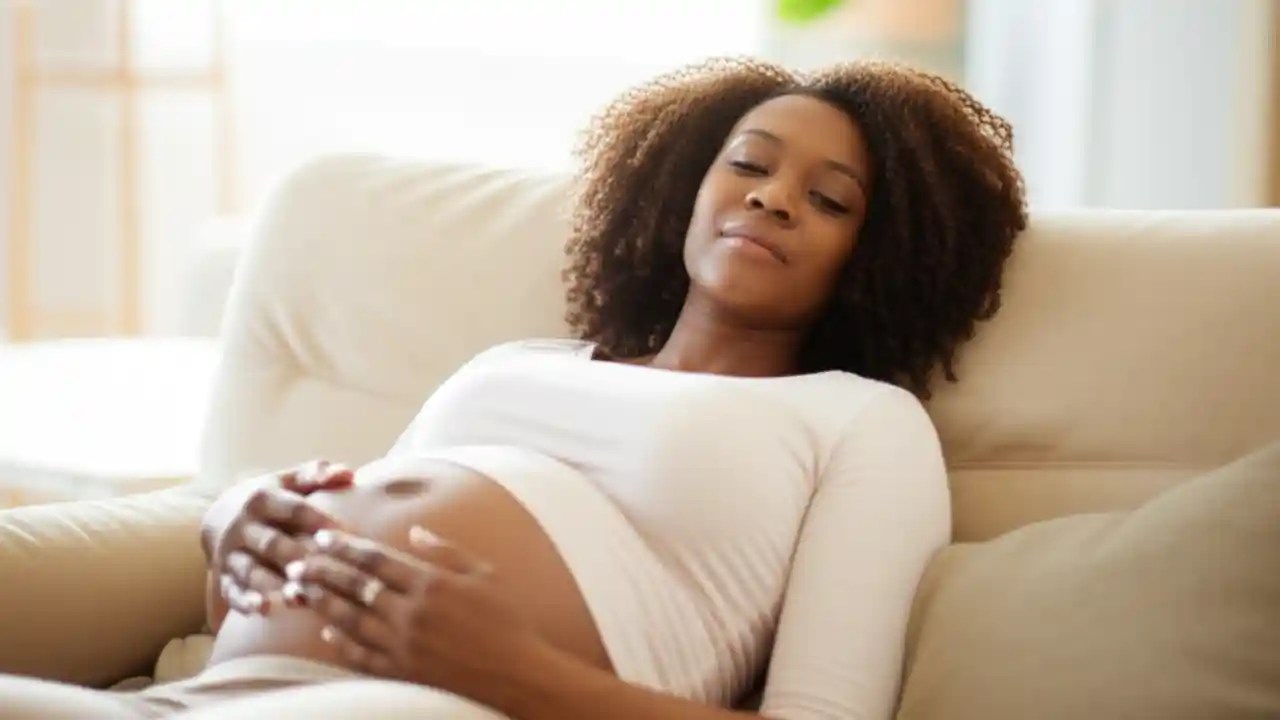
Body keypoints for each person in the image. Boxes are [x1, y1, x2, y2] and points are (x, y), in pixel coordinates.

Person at [0, 57, 1026, 719]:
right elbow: (353, 536)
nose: (770, 196)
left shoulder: (858, 420)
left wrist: (516, 675)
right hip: (212, 693)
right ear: (683, 186)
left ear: (881, 252)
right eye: (747, 164)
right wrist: (234, 519)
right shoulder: (513, 366)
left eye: (828, 198)